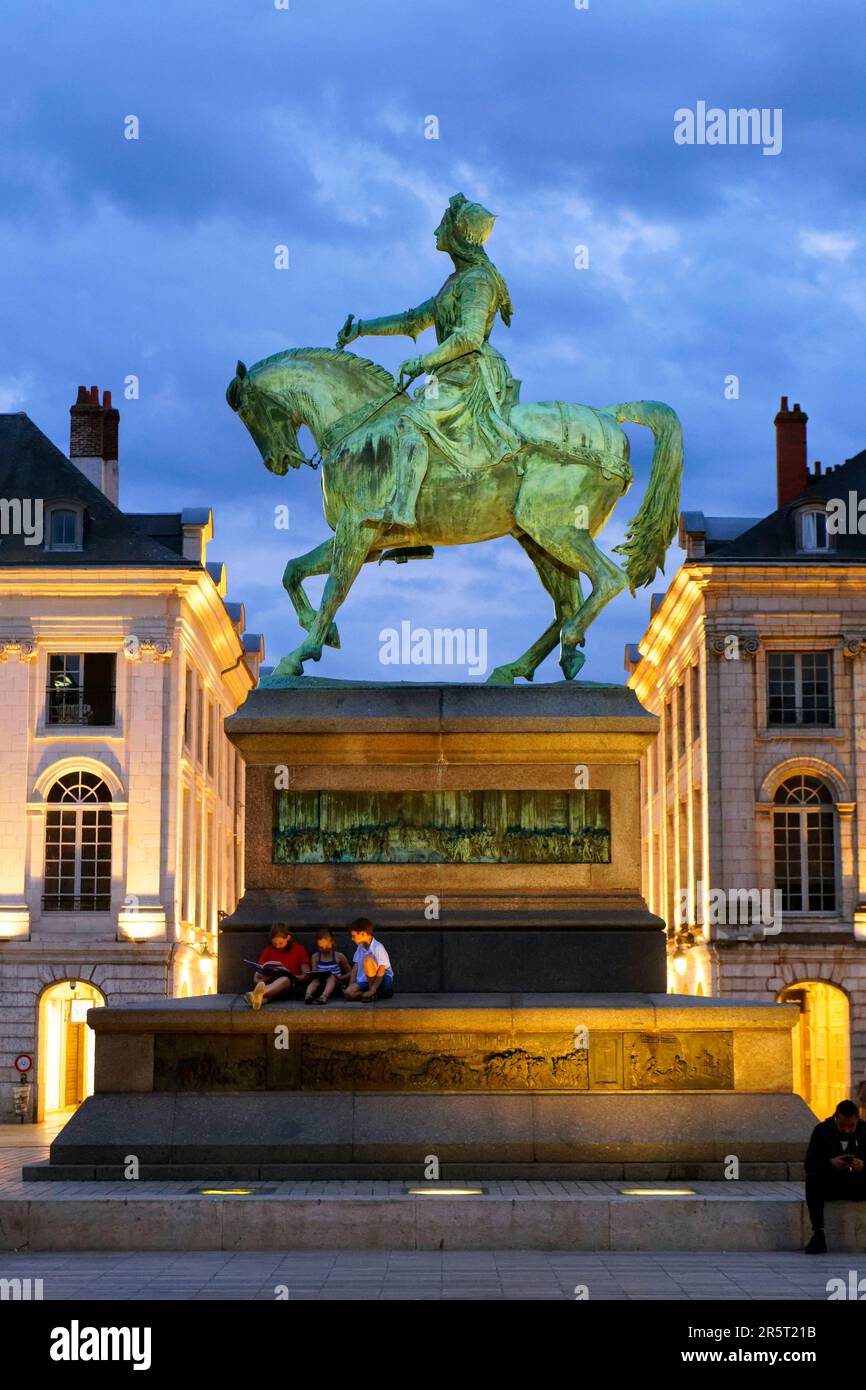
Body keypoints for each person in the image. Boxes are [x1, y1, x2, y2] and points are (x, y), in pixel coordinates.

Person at [336, 192, 522, 532]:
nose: (436, 231)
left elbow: (469, 336)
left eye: (443, 225)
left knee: (410, 423)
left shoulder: (478, 280)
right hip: (450, 373)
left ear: (459, 234)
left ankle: (404, 510)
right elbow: (412, 321)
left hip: (470, 374)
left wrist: (424, 361)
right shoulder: (454, 281)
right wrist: (362, 329)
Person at [803, 1098, 866, 1253]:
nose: (846, 1130)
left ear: (857, 1120)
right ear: (836, 1118)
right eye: (843, 1125)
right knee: (812, 1180)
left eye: (851, 1126)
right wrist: (830, 1163)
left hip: (858, 1183)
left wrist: (863, 1165)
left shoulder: (865, 1131)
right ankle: (818, 1235)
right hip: (832, 1183)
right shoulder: (822, 1131)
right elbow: (809, 1164)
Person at [244, 924, 310, 1010]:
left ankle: (255, 994)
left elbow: (306, 976)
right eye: (274, 944)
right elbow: (256, 977)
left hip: (291, 987)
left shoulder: (299, 949)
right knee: (263, 998)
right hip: (271, 985)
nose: (278, 946)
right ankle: (257, 998)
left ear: (288, 938)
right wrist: (262, 980)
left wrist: (292, 976)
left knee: (284, 979)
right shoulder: (268, 951)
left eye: (281, 943)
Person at [342, 917, 395, 1001]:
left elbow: (381, 970)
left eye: (354, 936)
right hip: (365, 981)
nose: (352, 939)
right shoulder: (360, 947)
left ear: (363, 934)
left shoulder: (377, 947)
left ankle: (373, 992)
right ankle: (373, 994)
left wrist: (373, 989)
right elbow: (356, 967)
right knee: (348, 993)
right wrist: (350, 985)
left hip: (382, 980)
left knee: (368, 960)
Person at [304, 929, 351, 1005]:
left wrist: (340, 978)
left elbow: (350, 973)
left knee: (331, 977)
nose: (324, 949)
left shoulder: (339, 956)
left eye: (326, 946)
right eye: (321, 947)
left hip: (335, 985)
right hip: (320, 985)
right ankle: (308, 995)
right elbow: (314, 972)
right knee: (316, 980)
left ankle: (324, 997)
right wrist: (311, 975)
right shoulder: (315, 957)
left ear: (332, 942)